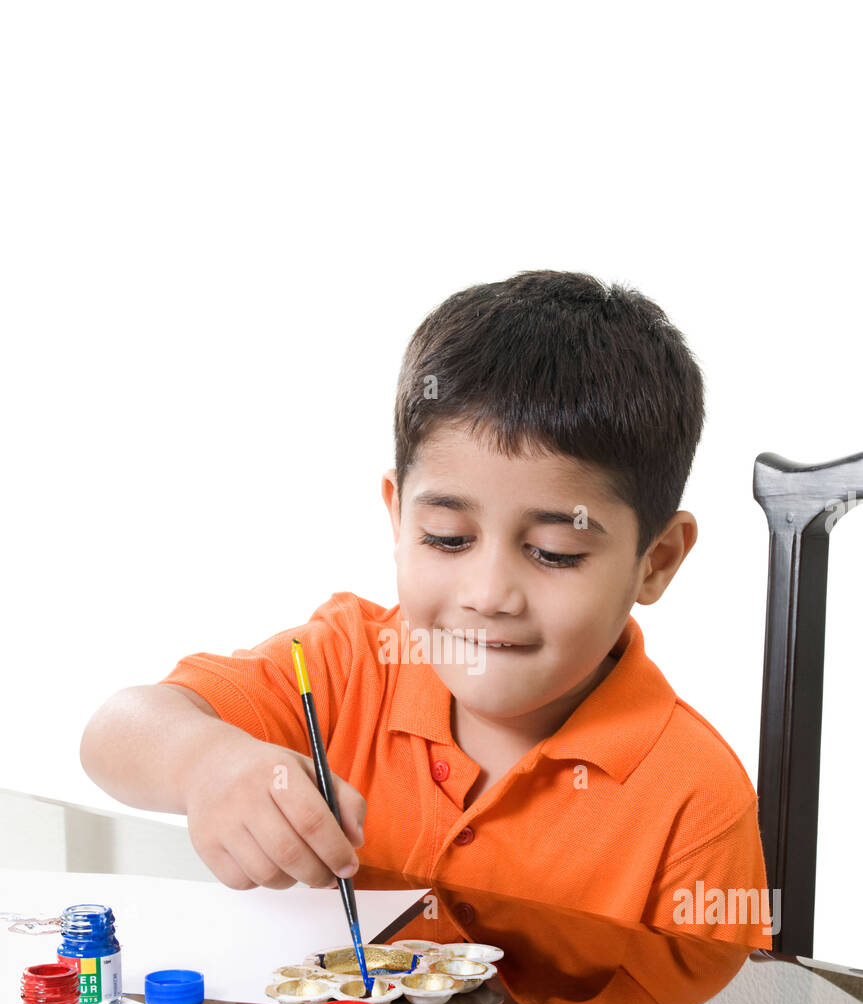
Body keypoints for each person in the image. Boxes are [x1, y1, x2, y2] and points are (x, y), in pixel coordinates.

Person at [79, 270, 772, 947]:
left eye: (554, 551)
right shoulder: (348, 661)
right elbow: (116, 731)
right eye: (446, 538)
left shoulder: (695, 805)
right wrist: (206, 763)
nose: (487, 594)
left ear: (655, 561)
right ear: (397, 516)